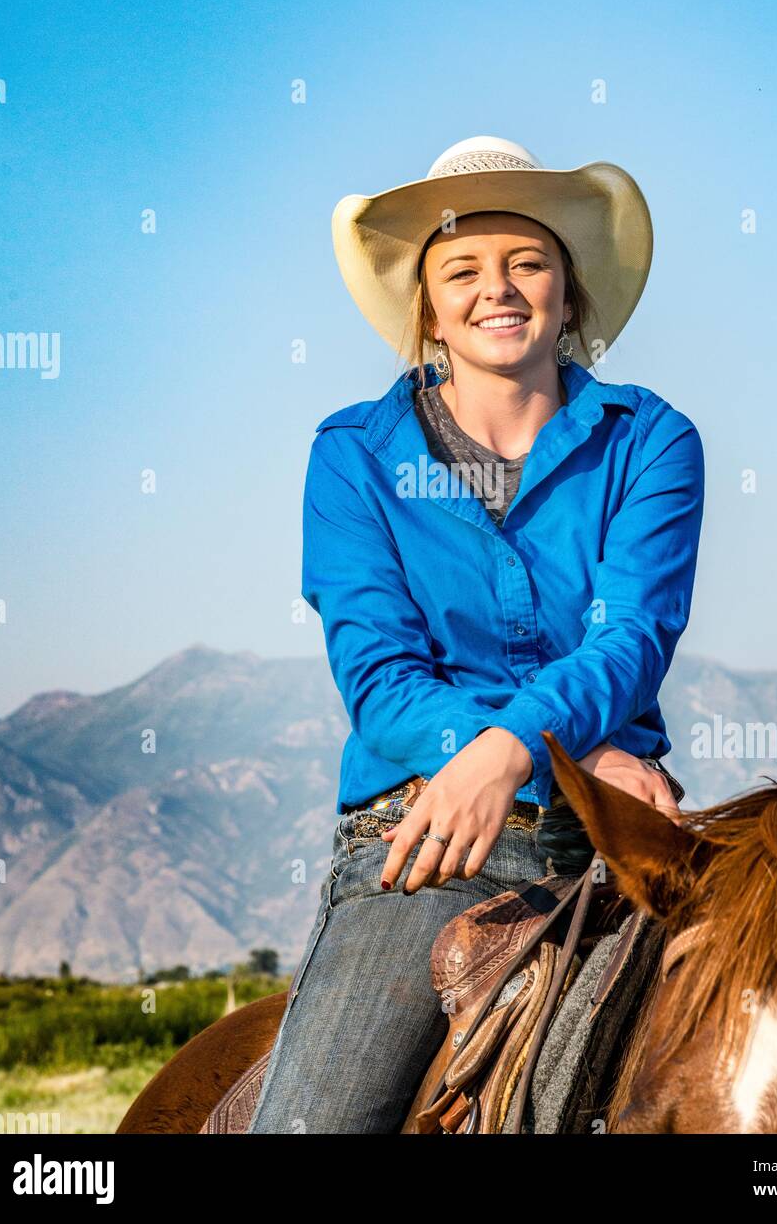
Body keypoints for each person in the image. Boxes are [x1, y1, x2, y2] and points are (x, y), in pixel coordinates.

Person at [247, 135, 705, 1134]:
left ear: (568, 294)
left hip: (622, 834)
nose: (496, 288)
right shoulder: (354, 458)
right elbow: (381, 678)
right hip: (427, 839)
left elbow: (633, 636)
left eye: (527, 262)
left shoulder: (654, 440)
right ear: (428, 308)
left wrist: (513, 750)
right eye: (462, 267)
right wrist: (565, 751)